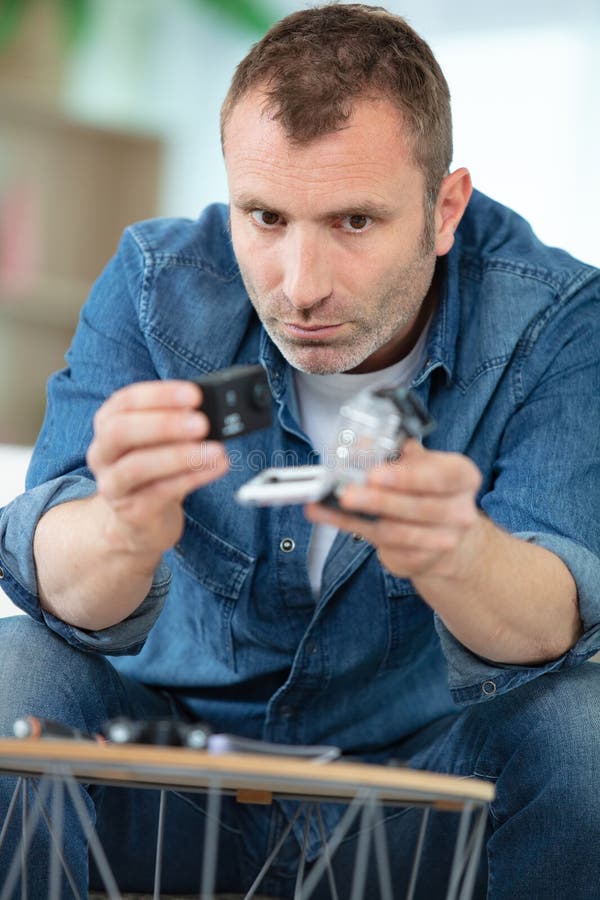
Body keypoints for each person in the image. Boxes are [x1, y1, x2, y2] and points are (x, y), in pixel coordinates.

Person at [0, 3, 599, 897]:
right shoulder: (159, 284)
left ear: (445, 209)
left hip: (412, 806)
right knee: (19, 670)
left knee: (582, 729)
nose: (302, 287)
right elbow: (57, 593)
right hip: (165, 781)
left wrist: (461, 554)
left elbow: (556, 624)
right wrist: (122, 529)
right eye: (266, 216)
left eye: (354, 223)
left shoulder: (551, 319)